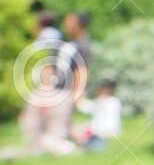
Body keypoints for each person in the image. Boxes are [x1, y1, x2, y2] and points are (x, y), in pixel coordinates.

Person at [42, 11, 93, 152]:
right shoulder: (69, 43)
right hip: (57, 90)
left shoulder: (83, 44)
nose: (66, 25)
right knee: (61, 124)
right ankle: (84, 142)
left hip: (67, 91)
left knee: (60, 126)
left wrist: (77, 93)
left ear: (79, 25)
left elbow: (81, 70)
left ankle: (77, 144)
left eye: (70, 22)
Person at [18, 11, 65, 155]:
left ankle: (39, 146)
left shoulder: (45, 36)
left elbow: (45, 60)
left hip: (47, 78)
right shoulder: (56, 34)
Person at [73, 80, 121, 152]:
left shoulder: (107, 102)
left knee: (76, 131)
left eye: (99, 89)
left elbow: (88, 107)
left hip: (102, 132)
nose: (97, 91)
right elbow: (87, 107)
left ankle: (82, 145)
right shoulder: (111, 101)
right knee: (78, 128)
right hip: (102, 131)